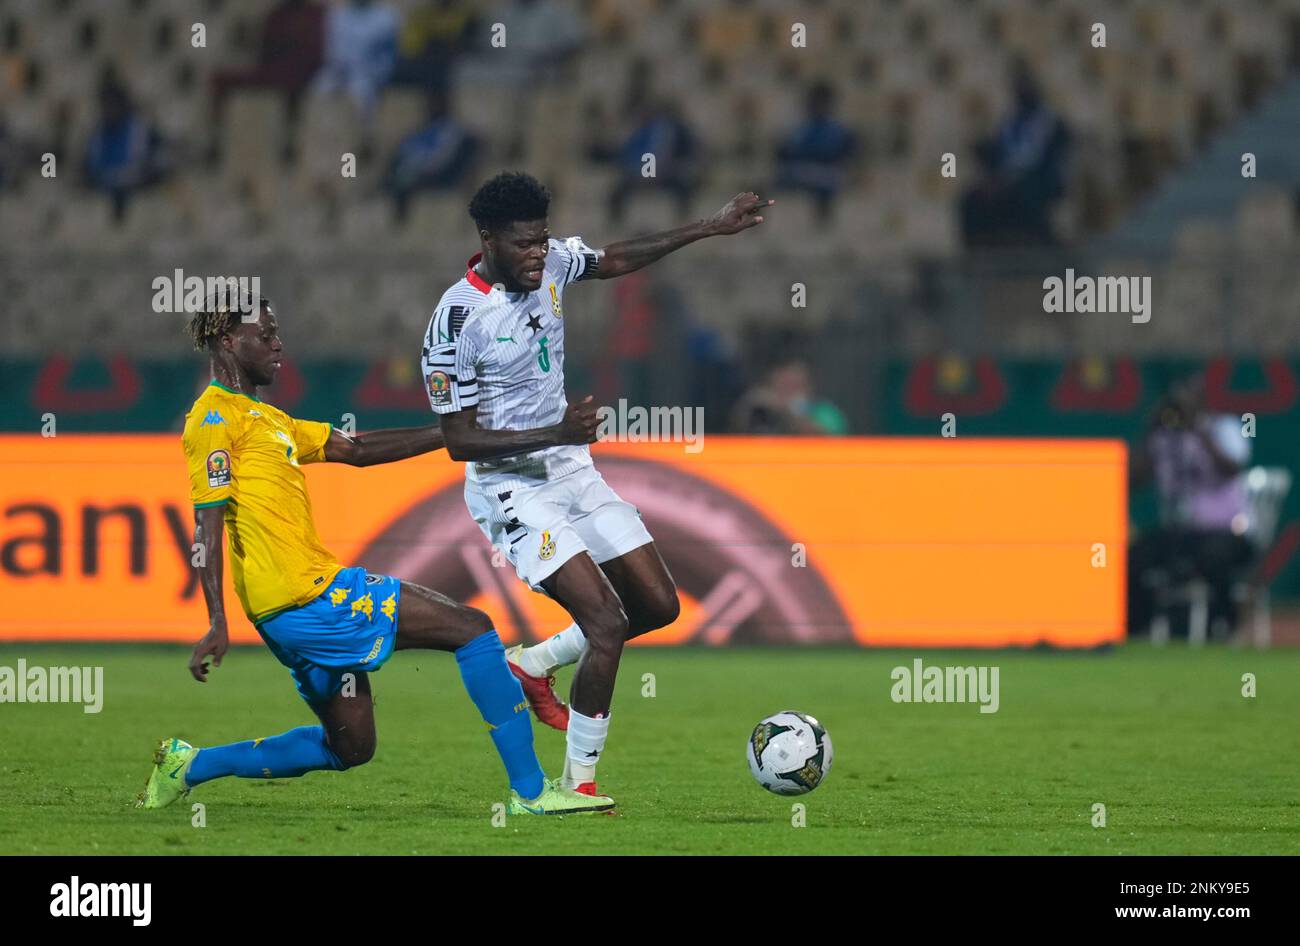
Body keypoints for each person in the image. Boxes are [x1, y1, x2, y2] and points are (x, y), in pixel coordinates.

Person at [136, 294, 611, 816]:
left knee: (350, 747)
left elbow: (357, 451)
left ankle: (188, 765)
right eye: (266, 334)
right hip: (308, 598)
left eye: (277, 333)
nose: (279, 344)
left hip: (292, 611)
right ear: (228, 340)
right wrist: (215, 620)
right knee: (473, 630)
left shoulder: (268, 420)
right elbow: (204, 525)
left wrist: (458, 435)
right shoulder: (211, 422)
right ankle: (532, 793)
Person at [420, 172, 771, 804]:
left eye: (542, 240)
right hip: (510, 488)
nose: (537, 254)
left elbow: (610, 260)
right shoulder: (454, 324)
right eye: (523, 244)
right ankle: (576, 782)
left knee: (659, 606)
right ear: (488, 239)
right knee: (606, 620)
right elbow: (460, 442)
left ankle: (533, 662)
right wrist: (555, 427)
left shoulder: (552, 262)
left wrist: (709, 226)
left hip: (572, 469)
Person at [1129, 373, 1255, 637]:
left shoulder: (1224, 428)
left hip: (1226, 531)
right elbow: (1134, 479)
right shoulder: (1164, 436)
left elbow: (1232, 467)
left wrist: (1199, 430)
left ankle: (1223, 625)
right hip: (1180, 533)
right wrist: (1152, 429)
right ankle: (1137, 626)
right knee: (1136, 555)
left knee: (1214, 557)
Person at [959, 63, 1070, 247]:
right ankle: (978, 255)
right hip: (1007, 181)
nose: (1021, 90)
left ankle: (1043, 247)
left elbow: (1048, 159)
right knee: (970, 199)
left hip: (1039, 180)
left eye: (1025, 85)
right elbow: (999, 155)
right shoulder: (1009, 122)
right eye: (1018, 86)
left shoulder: (1051, 123)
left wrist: (1011, 178)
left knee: (1021, 193)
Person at [383, 91, 479, 222]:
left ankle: (400, 220)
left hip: (436, 173)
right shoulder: (424, 128)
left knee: (403, 181)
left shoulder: (451, 130)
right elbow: (406, 148)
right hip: (414, 169)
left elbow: (442, 157)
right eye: (429, 104)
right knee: (394, 176)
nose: (429, 108)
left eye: (434, 104)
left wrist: (420, 167)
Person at [84, 81, 172, 221]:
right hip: (105, 194)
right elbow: (94, 169)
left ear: (122, 104)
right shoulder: (97, 132)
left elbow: (149, 166)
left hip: (139, 196)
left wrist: (122, 178)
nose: (109, 109)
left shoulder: (141, 129)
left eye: (113, 104)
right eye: (105, 105)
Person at [773, 82, 858, 221]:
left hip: (829, 175)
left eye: (822, 102)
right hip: (800, 174)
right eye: (815, 101)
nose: (818, 106)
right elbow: (785, 155)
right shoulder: (798, 129)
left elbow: (846, 157)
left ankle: (823, 214)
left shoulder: (840, 131)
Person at [730, 358, 849, 435]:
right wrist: (749, 407)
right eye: (783, 386)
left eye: (795, 386)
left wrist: (785, 411)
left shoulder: (825, 412)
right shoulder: (764, 411)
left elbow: (826, 438)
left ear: (809, 388)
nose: (789, 393)